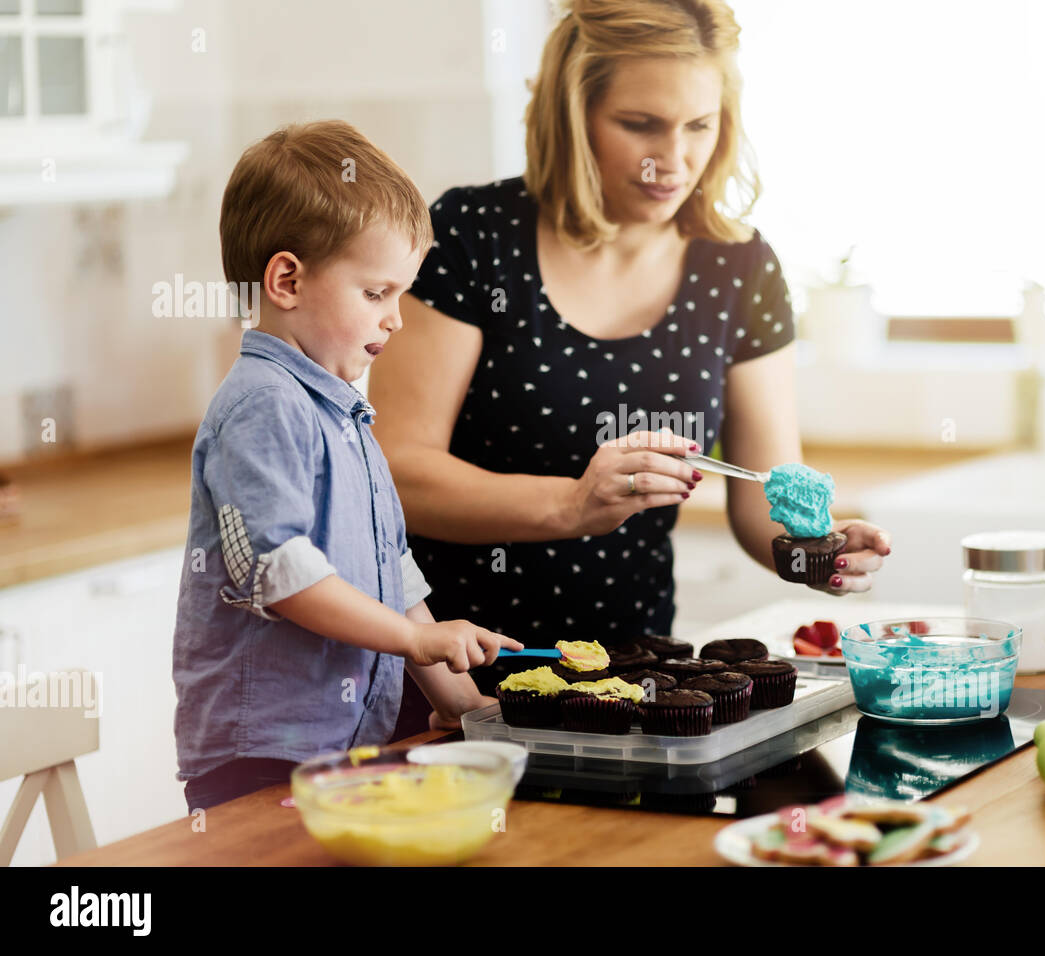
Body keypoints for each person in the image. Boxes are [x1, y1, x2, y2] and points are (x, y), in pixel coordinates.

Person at [370, 0, 891, 728]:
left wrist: (816, 556)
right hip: (454, 679)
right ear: (572, 114)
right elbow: (395, 472)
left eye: (699, 125)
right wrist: (571, 507)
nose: (671, 160)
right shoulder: (471, 236)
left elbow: (759, 501)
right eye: (640, 124)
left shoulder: (740, 267)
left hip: (641, 683)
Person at [172, 120, 521, 812]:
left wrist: (459, 701)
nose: (396, 319)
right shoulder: (263, 405)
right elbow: (282, 573)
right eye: (375, 293)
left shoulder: (344, 414)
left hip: (338, 749)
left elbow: (391, 569)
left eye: (402, 293)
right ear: (286, 280)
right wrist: (418, 637)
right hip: (263, 755)